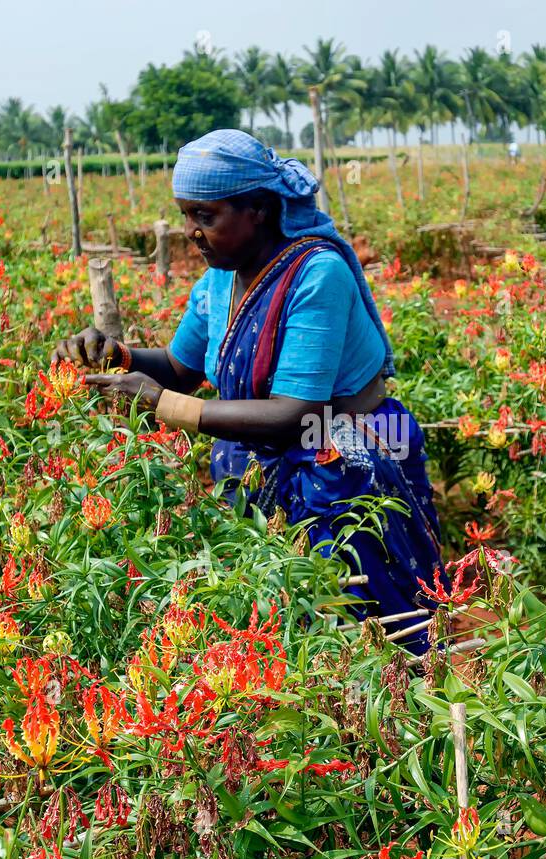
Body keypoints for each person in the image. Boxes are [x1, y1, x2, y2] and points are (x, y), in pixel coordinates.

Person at [52, 129, 447, 652]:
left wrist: (162, 403)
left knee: (368, 630)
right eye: (186, 215)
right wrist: (114, 354)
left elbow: (293, 415)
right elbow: (177, 365)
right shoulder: (222, 277)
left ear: (258, 209)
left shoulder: (316, 274)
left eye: (205, 216)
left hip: (344, 459)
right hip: (266, 464)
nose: (190, 232)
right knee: (286, 630)